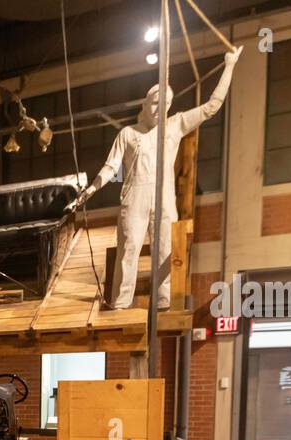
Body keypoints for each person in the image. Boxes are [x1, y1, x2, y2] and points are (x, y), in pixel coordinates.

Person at [70, 46, 242, 310]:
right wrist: (91, 190)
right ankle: (121, 302)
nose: (158, 107)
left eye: (164, 103)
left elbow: (211, 107)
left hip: (163, 196)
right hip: (134, 196)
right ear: (145, 103)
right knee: (129, 251)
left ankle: (163, 301)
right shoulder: (128, 133)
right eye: (154, 102)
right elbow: (110, 166)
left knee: (165, 252)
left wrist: (229, 65)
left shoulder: (175, 124)